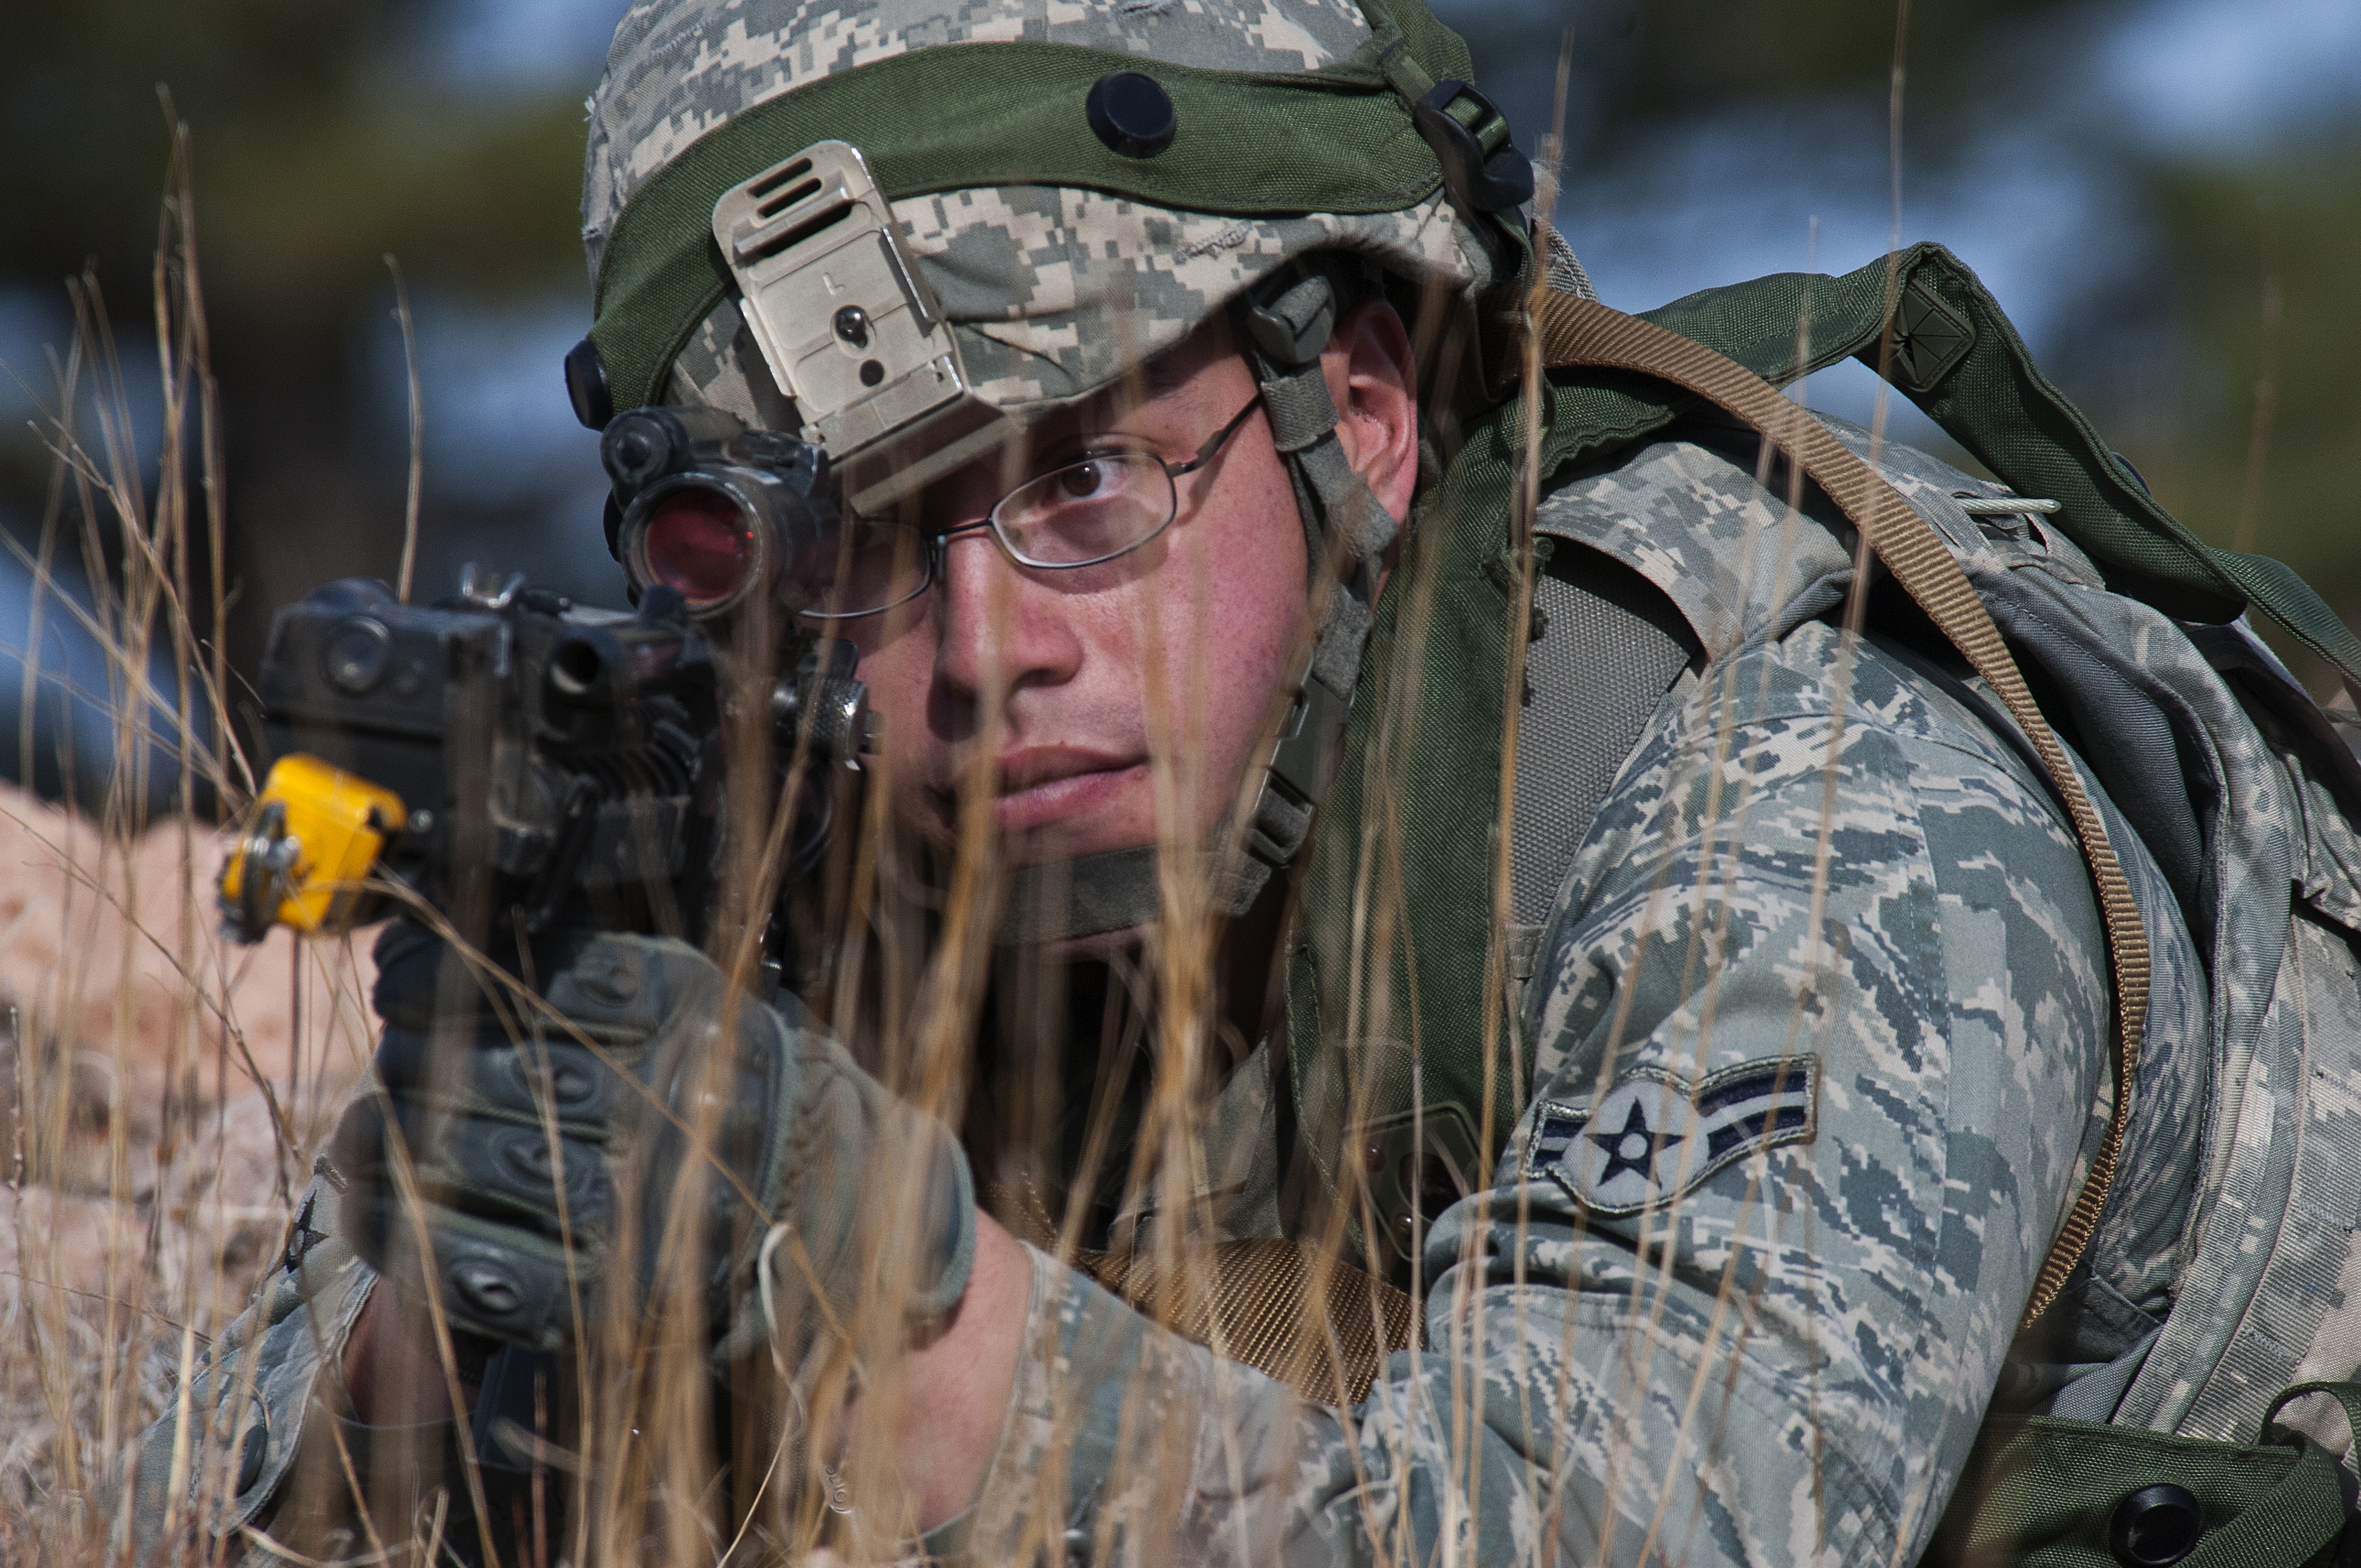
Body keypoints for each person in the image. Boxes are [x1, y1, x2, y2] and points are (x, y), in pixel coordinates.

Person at [123, 0, 2361, 1564]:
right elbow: (224, 1495)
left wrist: (902, 1318)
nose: (978, 651)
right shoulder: (783, 805)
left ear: (1358, 415)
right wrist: (449, 1330)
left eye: (1084, 482)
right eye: (844, 549)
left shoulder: (1803, 778)